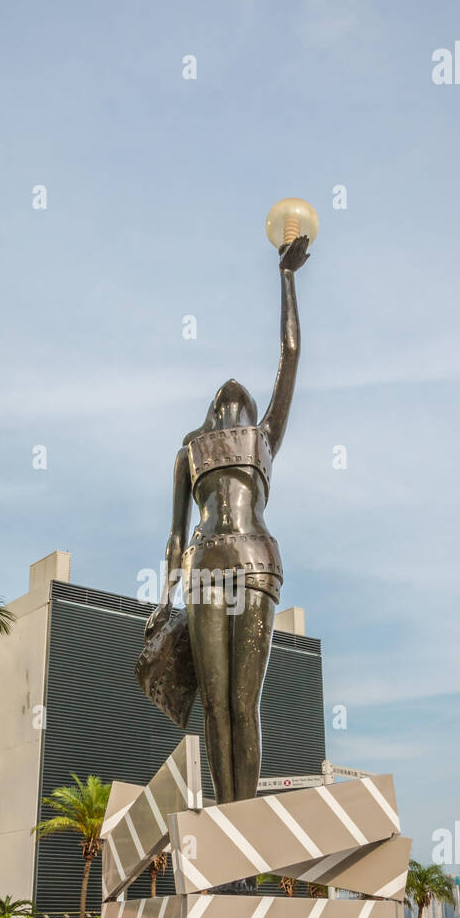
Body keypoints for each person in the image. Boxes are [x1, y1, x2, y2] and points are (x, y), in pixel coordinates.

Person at [145, 234, 310, 808]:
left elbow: (291, 356)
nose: (231, 391)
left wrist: (286, 277)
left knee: (244, 702)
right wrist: (164, 599)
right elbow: (172, 534)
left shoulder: (264, 437)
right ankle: (227, 824)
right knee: (216, 703)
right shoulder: (188, 451)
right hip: (204, 571)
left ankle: (242, 825)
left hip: (255, 567)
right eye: (222, 397)